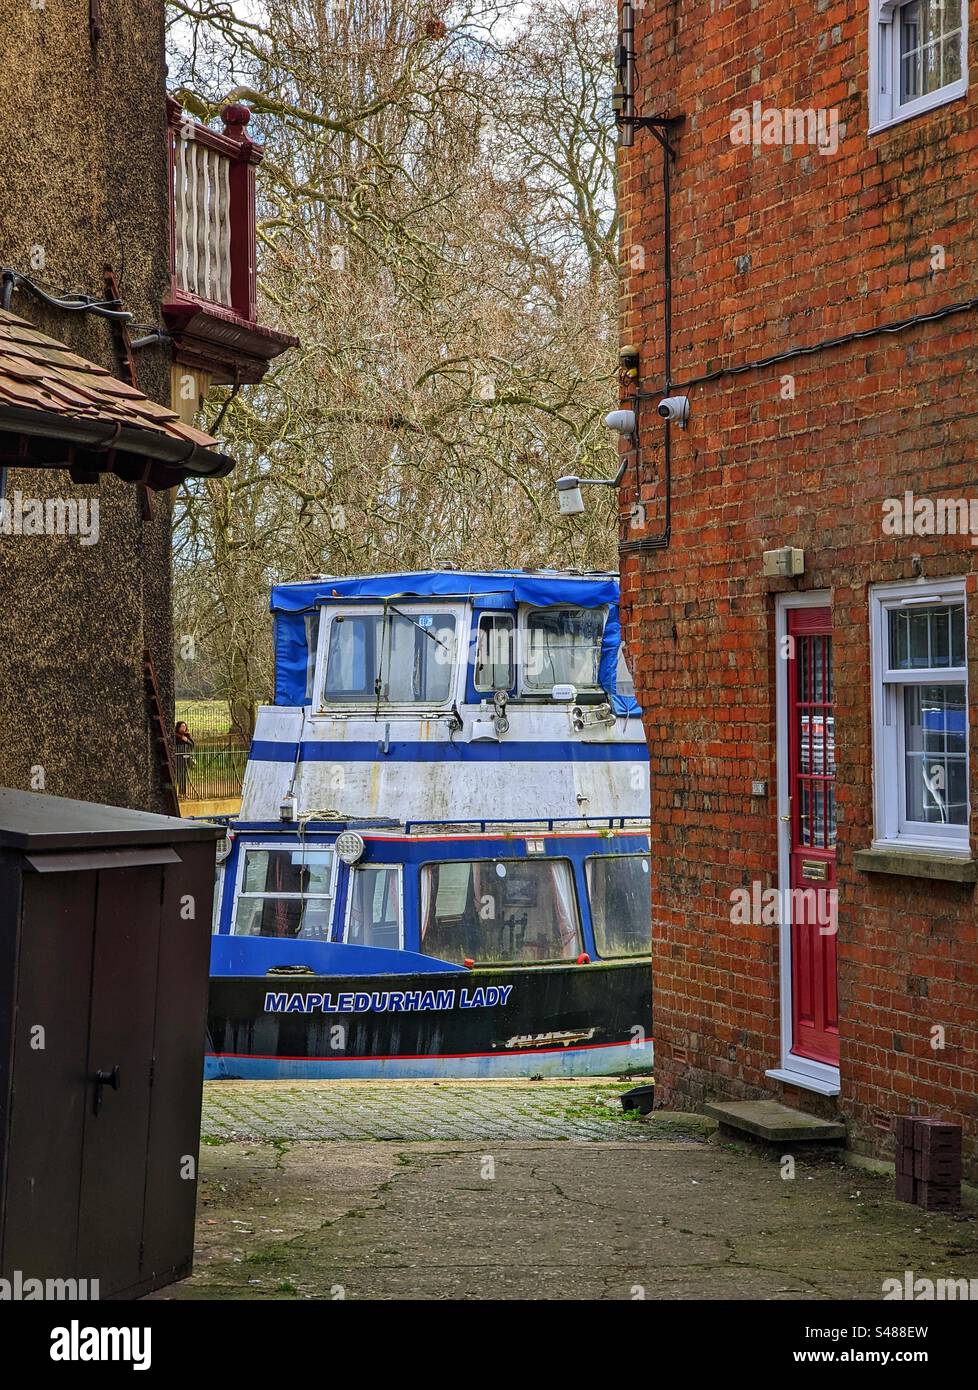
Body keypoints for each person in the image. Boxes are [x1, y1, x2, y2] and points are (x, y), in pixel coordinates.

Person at [173, 720, 195, 796]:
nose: (184, 728)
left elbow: (192, 745)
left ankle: (183, 792)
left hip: (184, 758)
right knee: (177, 776)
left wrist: (187, 740)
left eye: (185, 726)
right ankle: (176, 793)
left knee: (183, 776)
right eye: (182, 726)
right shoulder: (175, 736)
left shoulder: (187, 736)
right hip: (176, 758)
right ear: (178, 727)